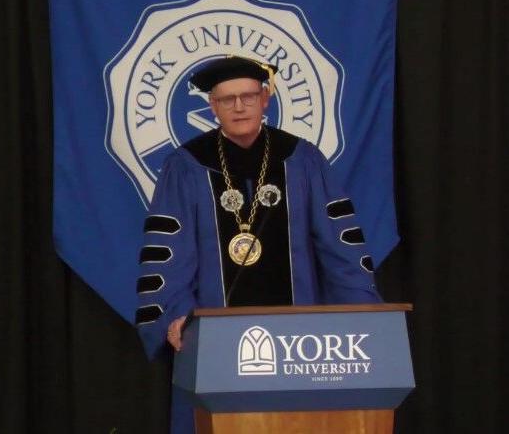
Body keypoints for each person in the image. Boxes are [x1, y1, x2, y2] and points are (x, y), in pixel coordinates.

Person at [134, 56, 382, 433]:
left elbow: (339, 245)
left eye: (248, 96)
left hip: (301, 338)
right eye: (227, 99)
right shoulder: (186, 165)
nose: (239, 107)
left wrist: (362, 312)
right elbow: (169, 252)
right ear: (212, 106)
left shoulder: (301, 159)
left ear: (265, 99)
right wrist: (176, 313)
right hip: (214, 333)